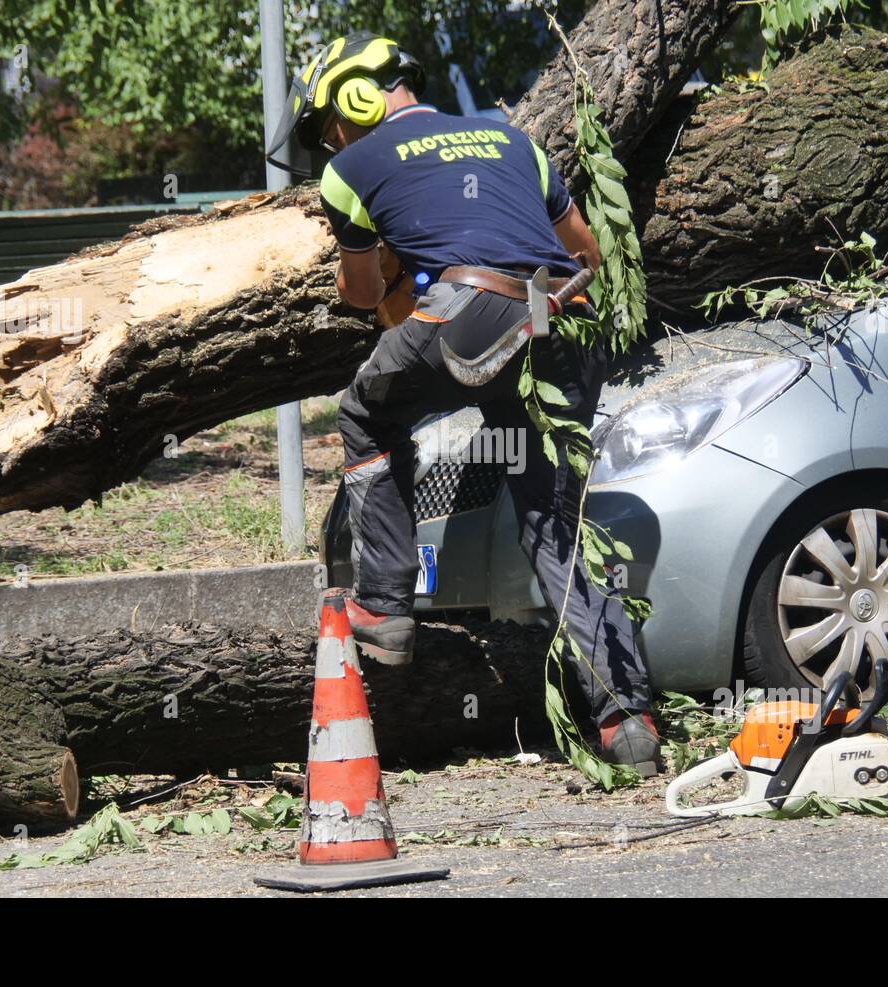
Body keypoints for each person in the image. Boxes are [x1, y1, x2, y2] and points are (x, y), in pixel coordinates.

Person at [267, 32, 660, 776]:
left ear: (358, 95)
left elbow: (357, 296)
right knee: (554, 520)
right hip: (559, 321)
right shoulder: (513, 139)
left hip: (467, 312)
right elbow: (588, 253)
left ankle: (383, 605)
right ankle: (627, 719)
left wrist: (396, 272)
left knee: (365, 412)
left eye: (331, 125)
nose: (334, 141)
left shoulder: (350, 170)